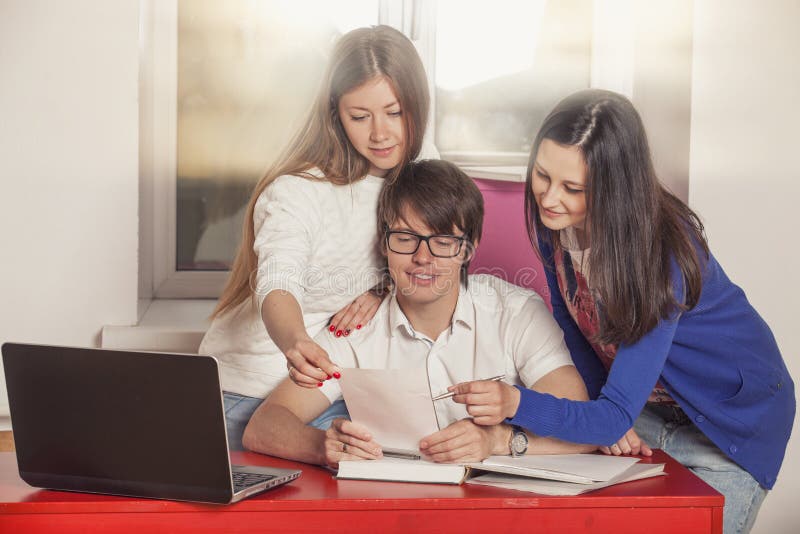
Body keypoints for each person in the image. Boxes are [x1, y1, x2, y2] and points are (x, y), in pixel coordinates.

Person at [448, 89, 795, 534]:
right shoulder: (556, 223)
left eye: (573, 188)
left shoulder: (663, 257)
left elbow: (612, 415)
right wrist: (604, 417)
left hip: (727, 428)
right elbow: (574, 328)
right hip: (645, 415)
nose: (550, 198)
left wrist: (515, 402)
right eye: (541, 175)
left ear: (614, 190)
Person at [240, 159, 594, 468]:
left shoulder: (515, 312)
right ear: (384, 245)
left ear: (469, 249)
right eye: (406, 238)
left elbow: (582, 422)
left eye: (442, 242)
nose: (423, 258)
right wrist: (323, 446)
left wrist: (499, 440)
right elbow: (265, 425)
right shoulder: (355, 328)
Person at [198, 25, 430, 450]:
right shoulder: (299, 190)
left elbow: (440, 268)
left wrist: (386, 290)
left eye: (394, 112)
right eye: (359, 117)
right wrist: (295, 341)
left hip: (333, 393)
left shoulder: (420, 185)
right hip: (245, 393)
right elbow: (278, 281)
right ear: (335, 114)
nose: (380, 133)